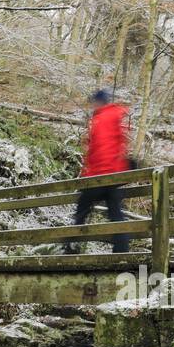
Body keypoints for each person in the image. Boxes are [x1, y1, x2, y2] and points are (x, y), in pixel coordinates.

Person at [64, 89, 132, 254]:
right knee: (115, 212)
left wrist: (92, 173)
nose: (92, 105)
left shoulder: (102, 118)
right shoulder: (113, 116)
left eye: (94, 102)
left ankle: (71, 246)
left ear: (99, 102)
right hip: (114, 173)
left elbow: (101, 148)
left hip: (101, 173)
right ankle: (122, 250)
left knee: (82, 208)